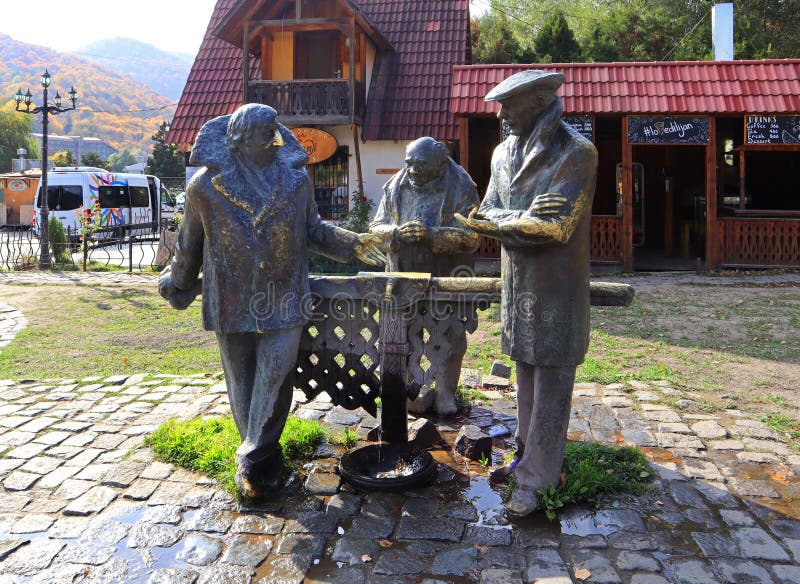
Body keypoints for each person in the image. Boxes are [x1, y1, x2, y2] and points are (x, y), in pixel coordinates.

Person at [159, 104, 385, 498]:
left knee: (274, 375)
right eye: (267, 134)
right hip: (230, 300)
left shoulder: (295, 180)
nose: (278, 140)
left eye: (277, 131)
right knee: (243, 384)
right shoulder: (204, 187)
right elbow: (188, 247)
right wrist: (176, 283)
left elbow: (313, 230)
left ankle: (251, 456)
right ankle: (262, 462)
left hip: (284, 295)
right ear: (239, 141)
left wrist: (353, 244)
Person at [456, 70, 598, 518]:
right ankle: (526, 458)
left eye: (508, 105)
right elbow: (489, 211)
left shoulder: (576, 153)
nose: (501, 114)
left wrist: (503, 224)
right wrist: (519, 220)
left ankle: (539, 479)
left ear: (537, 101)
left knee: (553, 378)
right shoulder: (502, 153)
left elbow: (555, 229)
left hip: (557, 289)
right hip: (518, 288)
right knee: (525, 373)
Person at [369, 137, 480, 415]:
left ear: (441, 163)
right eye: (409, 163)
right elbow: (375, 228)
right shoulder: (395, 186)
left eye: (421, 165)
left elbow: (472, 235)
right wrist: (395, 232)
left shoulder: (462, 187)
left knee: (451, 336)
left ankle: (445, 393)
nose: (413, 170)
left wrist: (434, 236)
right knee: (402, 336)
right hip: (403, 275)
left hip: (447, 275)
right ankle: (408, 392)